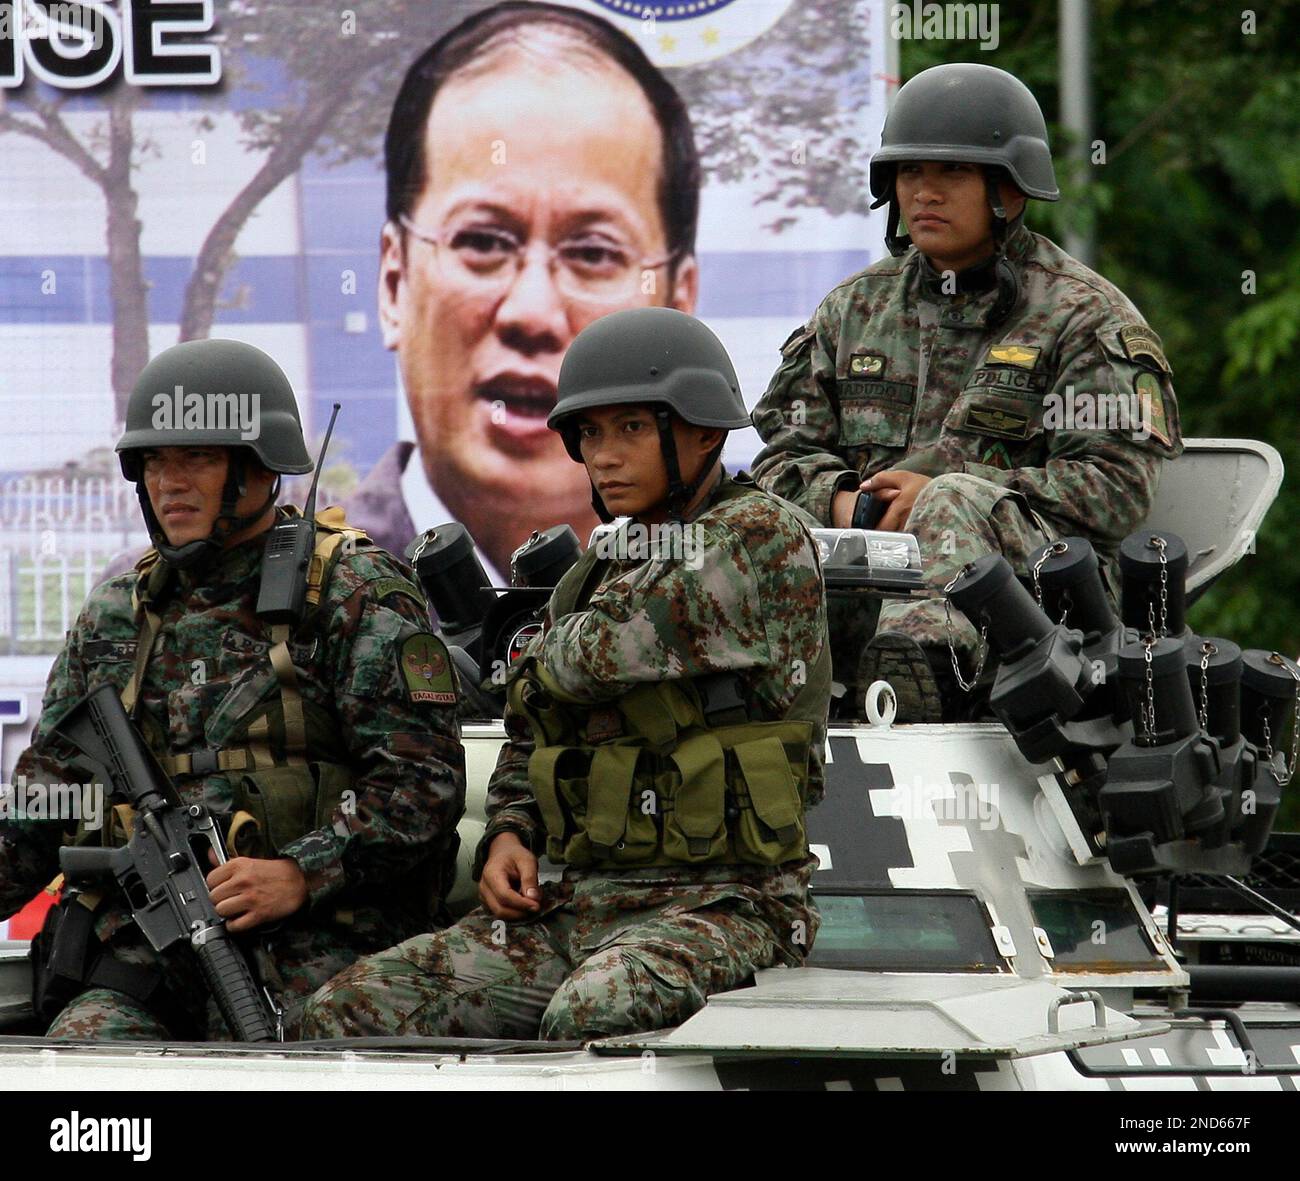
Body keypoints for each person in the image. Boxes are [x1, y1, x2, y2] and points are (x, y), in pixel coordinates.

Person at [300, 307, 830, 1042]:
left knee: (589, 1014)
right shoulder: (600, 568)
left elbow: (595, 652)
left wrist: (543, 654)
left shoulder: (758, 536)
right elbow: (532, 718)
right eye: (590, 433)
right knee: (343, 1012)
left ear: (706, 431)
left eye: (632, 429)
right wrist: (510, 832)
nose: (604, 454)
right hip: (582, 905)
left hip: (729, 907)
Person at [1, 339, 465, 1039]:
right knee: (85, 1046)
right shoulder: (118, 614)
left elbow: (422, 789)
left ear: (255, 467)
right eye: (154, 461)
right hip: (153, 947)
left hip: (321, 941)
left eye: (196, 458)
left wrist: (301, 872)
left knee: (294, 1049)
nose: (169, 482)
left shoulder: (351, 592)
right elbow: (44, 807)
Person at [750, 62, 1184, 721]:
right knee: (742, 525)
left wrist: (949, 495)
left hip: (1046, 600)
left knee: (950, 499)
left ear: (1008, 190)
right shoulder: (853, 309)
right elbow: (781, 458)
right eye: (909, 172)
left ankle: (924, 679)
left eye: (951, 172)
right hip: (868, 577)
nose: (923, 192)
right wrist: (840, 502)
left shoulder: (1085, 317)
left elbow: (1118, 488)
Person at [344, 1, 700, 581]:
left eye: (593, 253)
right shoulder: (285, 602)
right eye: (483, 241)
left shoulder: (733, 582)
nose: (531, 314)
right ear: (393, 284)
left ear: (677, 308)